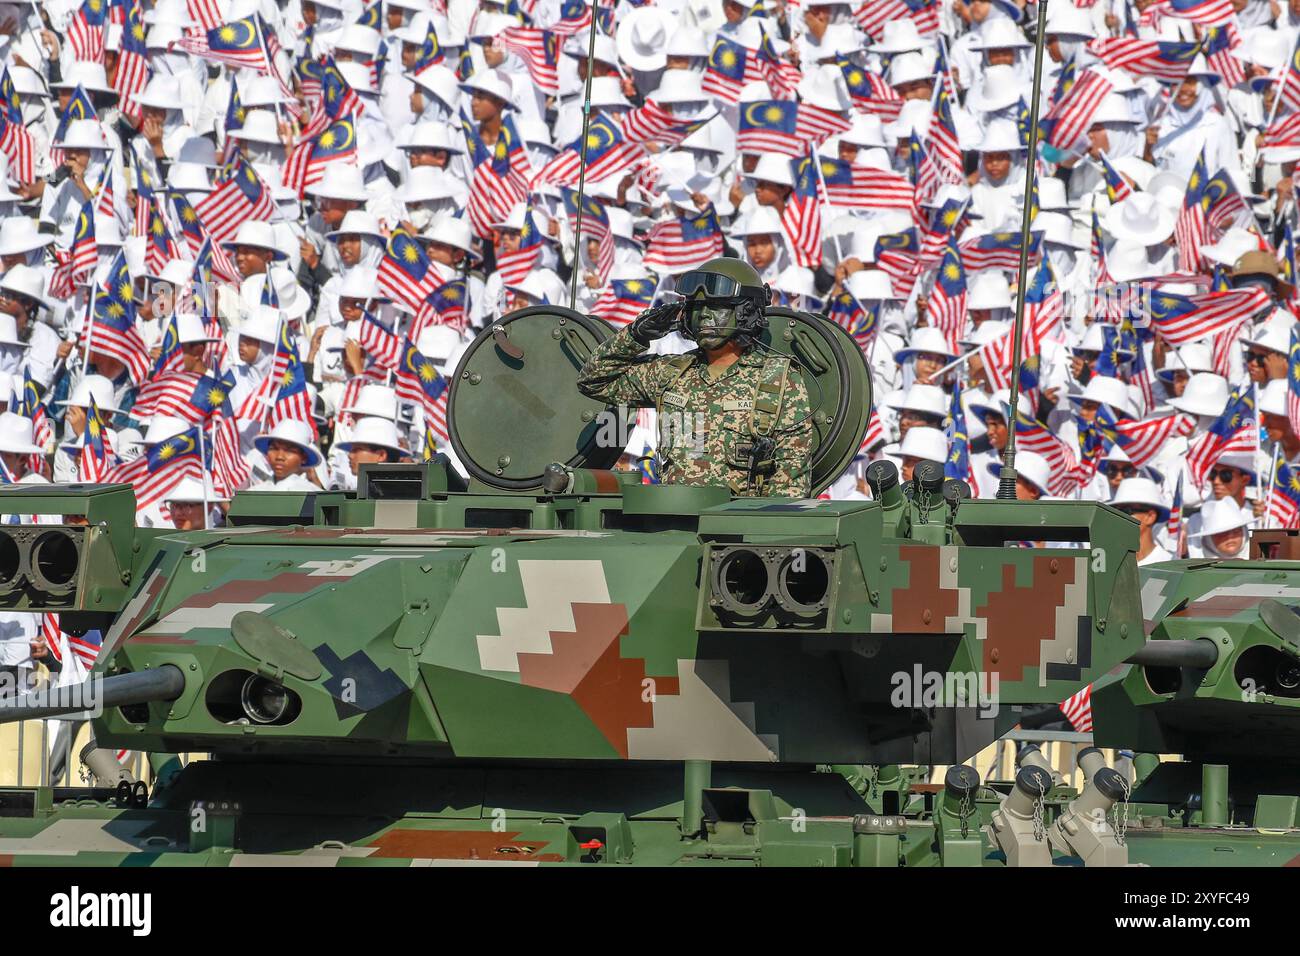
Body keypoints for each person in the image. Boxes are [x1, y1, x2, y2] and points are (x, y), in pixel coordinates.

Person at [577, 258, 813, 497]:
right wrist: (636, 335)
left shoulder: (779, 380)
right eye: (697, 307)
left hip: (737, 527)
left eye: (716, 307)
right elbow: (593, 381)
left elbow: (789, 486)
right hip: (670, 523)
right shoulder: (672, 373)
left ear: (746, 312)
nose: (704, 316)